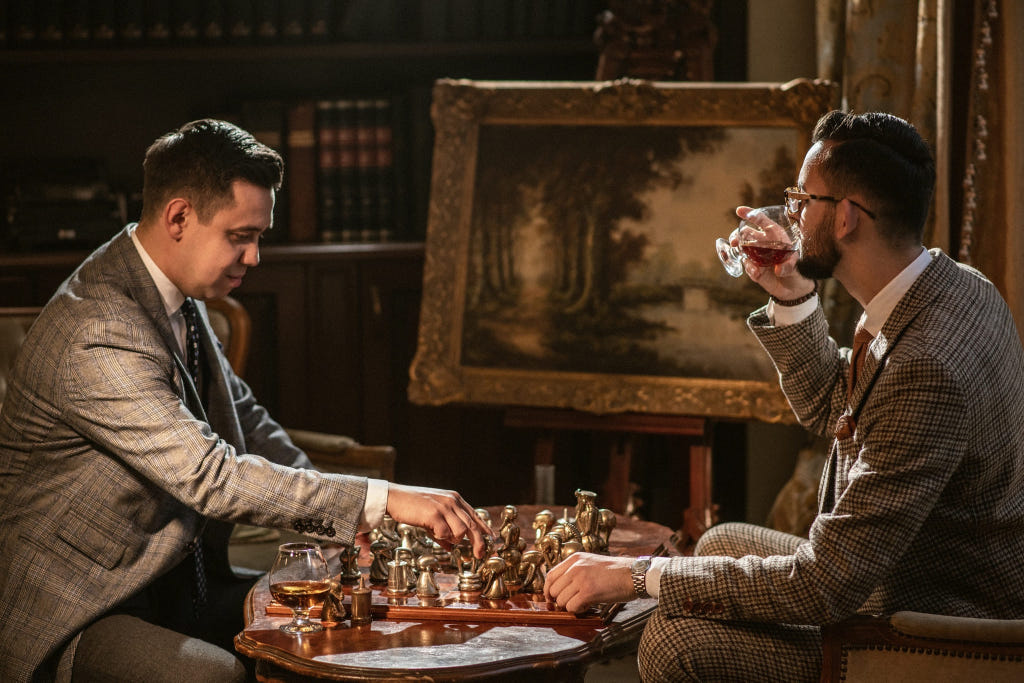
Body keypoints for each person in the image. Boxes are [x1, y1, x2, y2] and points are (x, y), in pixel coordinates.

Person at [0, 119, 492, 683]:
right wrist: (383, 498)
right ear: (179, 217)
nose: (255, 257)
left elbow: (247, 419)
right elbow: (210, 476)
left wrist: (342, 527)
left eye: (260, 236)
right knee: (216, 676)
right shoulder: (100, 330)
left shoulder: (175, 289)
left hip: (173, 579)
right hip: (82, 602)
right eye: (241, 236)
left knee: (343, 625)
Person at [544, 110, 1024, 681]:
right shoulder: (956, 286)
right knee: (720, 541)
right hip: (899, 576)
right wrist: (793, 296)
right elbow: (834, 405)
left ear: (845, 218)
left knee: (676, 642)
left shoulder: (927, 367)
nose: (791, 213)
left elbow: (825, 586)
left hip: (934, 624)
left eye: (803, 198)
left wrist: (636, 575)